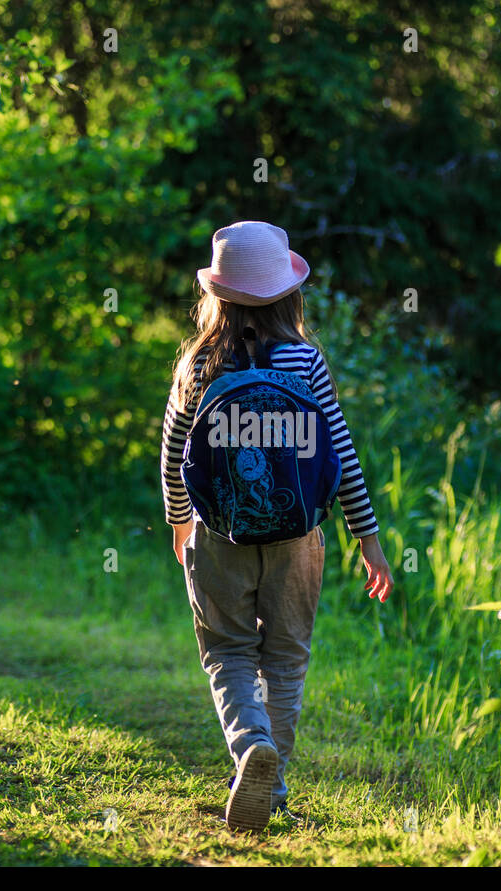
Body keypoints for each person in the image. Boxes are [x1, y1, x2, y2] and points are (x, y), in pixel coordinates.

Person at [160, 220, 394, 832]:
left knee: (229, 651)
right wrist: (366, 537)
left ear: (217, 293)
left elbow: (174, 452)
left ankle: (249, 750)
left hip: (220, 533)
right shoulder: (306, 359)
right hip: (298, 537)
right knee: (286, 658)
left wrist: (180, 521)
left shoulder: (199, 359)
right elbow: (338, 451)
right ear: (287, 292)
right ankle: (275, 784)